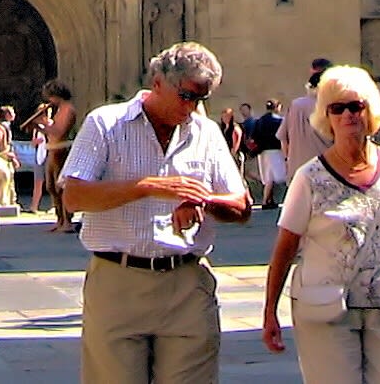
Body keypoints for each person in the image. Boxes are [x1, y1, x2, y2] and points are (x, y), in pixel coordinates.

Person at [60, 42, 254, 384]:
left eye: (201, 98)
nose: (191, 108)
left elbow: (242, 205)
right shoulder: (106, 124)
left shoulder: (206, 133)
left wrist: (202, 201)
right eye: (186, 96)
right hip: (118, 282)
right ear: (158, 82)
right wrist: (146, 187)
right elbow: (74, 197)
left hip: (186, 283)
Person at [262, 62, 380, 384]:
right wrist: (269, 311)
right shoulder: (309, 178)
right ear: (327, 117)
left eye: (356, 106)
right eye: (337, 108)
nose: (348, 115)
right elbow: (286, 247)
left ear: (370, 111)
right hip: (324, 307)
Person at [34, 85, 82, 232]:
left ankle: (67, 220)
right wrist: (40, 127)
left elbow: (60, 132)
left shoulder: (68, 110)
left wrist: (42, 125)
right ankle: (59, 219)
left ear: (56, 95)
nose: (50, 100)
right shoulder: (59, 110)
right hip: (52, 149)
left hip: (61, 150)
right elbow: (52, 133)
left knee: (60, 187)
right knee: (51, 187)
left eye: (50, 96)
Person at [289, 58, 334, 185]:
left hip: (298, 171)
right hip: (326, 168)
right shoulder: (332, 105)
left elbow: (284, 140)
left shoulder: (295, 105)